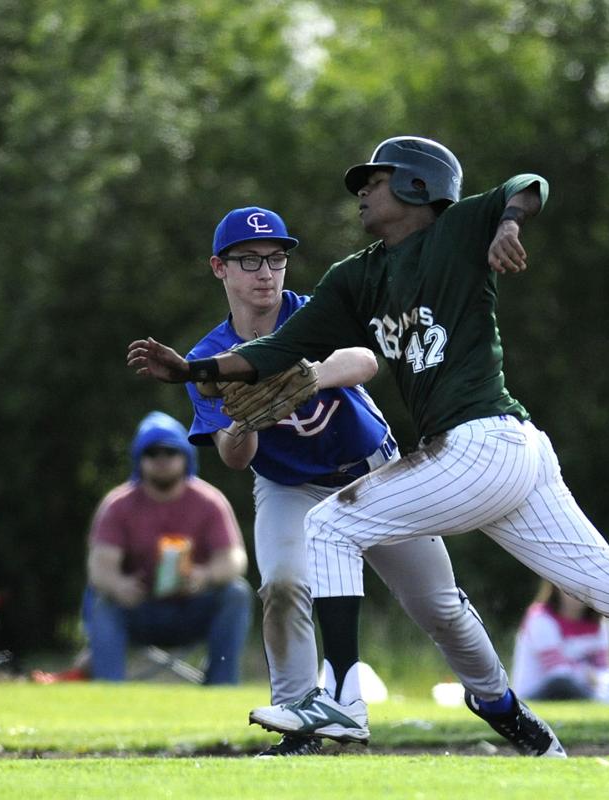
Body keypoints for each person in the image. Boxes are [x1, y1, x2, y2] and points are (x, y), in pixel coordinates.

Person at [127, 135, 609, 741]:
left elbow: (529, 185)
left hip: (485, 442)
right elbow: (272, 353)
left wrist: (507, 223)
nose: (362, 193)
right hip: (500, 456)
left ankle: (341, 704)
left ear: (414, 185)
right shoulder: (357, 278)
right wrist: (189, 369)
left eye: (373, 181)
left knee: (332, 526)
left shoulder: (457, 229)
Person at [184, 205, 557, 757]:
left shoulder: (307, 313)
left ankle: (500, 704)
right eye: (248, 260)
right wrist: (246, 416)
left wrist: (303, 377)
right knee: (284, 586)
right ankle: (302, 724)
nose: (265, 272)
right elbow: (235, 458)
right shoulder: (207, 358)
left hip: (372, 472)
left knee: (439, 607)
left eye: (275, 258)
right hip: (289, 486)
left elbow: (365, 359)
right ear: (220, 267)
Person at [84, 410, 253, 683]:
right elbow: (99, 568)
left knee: (236, 593)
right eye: (152, 453)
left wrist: (204, 576)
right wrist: (119, 586)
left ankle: (222, 686)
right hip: (141, 609)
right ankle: (108, 690)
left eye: (170, 452)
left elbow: (234, 559)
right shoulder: (117, 506)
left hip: (193, 608)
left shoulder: (209, 501)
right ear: (140, 459)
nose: (162, 460)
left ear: (186, 457)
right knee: (105, 602)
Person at [512, 581, 609, 704]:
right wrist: (590, 678)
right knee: (562, 684)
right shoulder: (540, 618)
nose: (576, 596)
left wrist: (600, 687)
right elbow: (558, 672)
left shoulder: (601, 621)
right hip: (540, 693)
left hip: (592, 691)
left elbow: (607, 673)